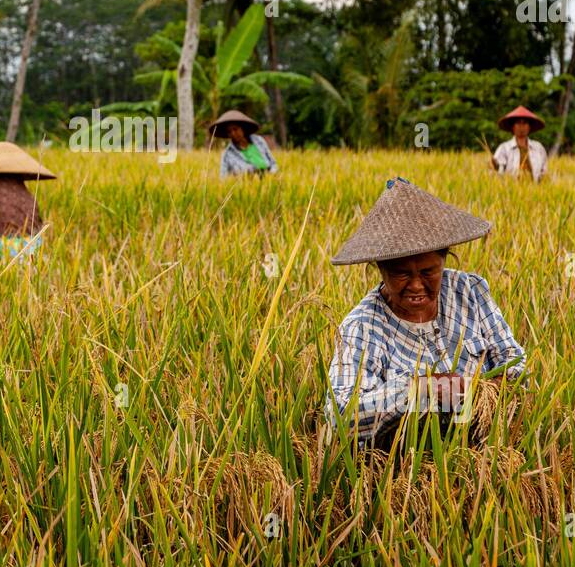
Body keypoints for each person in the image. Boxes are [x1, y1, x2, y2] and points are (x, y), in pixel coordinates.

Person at [325, 178, 527, 448]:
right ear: (380, 269)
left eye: (429, 272)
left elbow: (515, 365)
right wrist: (420, 390)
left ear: (445, 259)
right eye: (402, 274)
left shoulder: (470, 292)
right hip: (407, 474)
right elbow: (340, 415)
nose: (417, 285)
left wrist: (482, 392)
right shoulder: (362, 327)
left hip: (483, 464)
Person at [211, 110, 278, 178]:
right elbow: (223, 178)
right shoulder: (226, 154)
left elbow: (273, 163)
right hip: (248, 184)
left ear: (243, 128)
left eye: (235, 129)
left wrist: (271, 175)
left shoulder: (259, 141)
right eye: (229, 131)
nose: (233, 133)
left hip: (269, 179)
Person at [492, 106, 547, 182]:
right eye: (518, 123)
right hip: (511, 191)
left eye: (525, 123)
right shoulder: (504, 148)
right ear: (513, 127)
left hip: (535, 191)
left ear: (529, 127)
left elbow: (543, 173)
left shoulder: (538, 148)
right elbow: (497, 174)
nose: (521, 126)